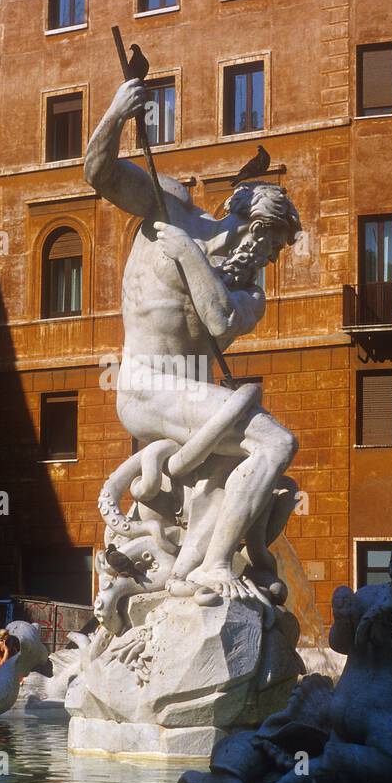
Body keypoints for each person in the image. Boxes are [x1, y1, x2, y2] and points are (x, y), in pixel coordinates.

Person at [83, 76, 302, 607]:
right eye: (271, 247)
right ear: (253, 227)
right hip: (144, 386)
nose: (268, 262)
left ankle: (199, 562)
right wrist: (115, 113)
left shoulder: (249, 292)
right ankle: (214, 567)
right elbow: (100, 173)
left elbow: (221, 320)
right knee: (276, 442)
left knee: (266, 463)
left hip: (193, 398)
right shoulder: (172, 205)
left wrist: (187, 255)